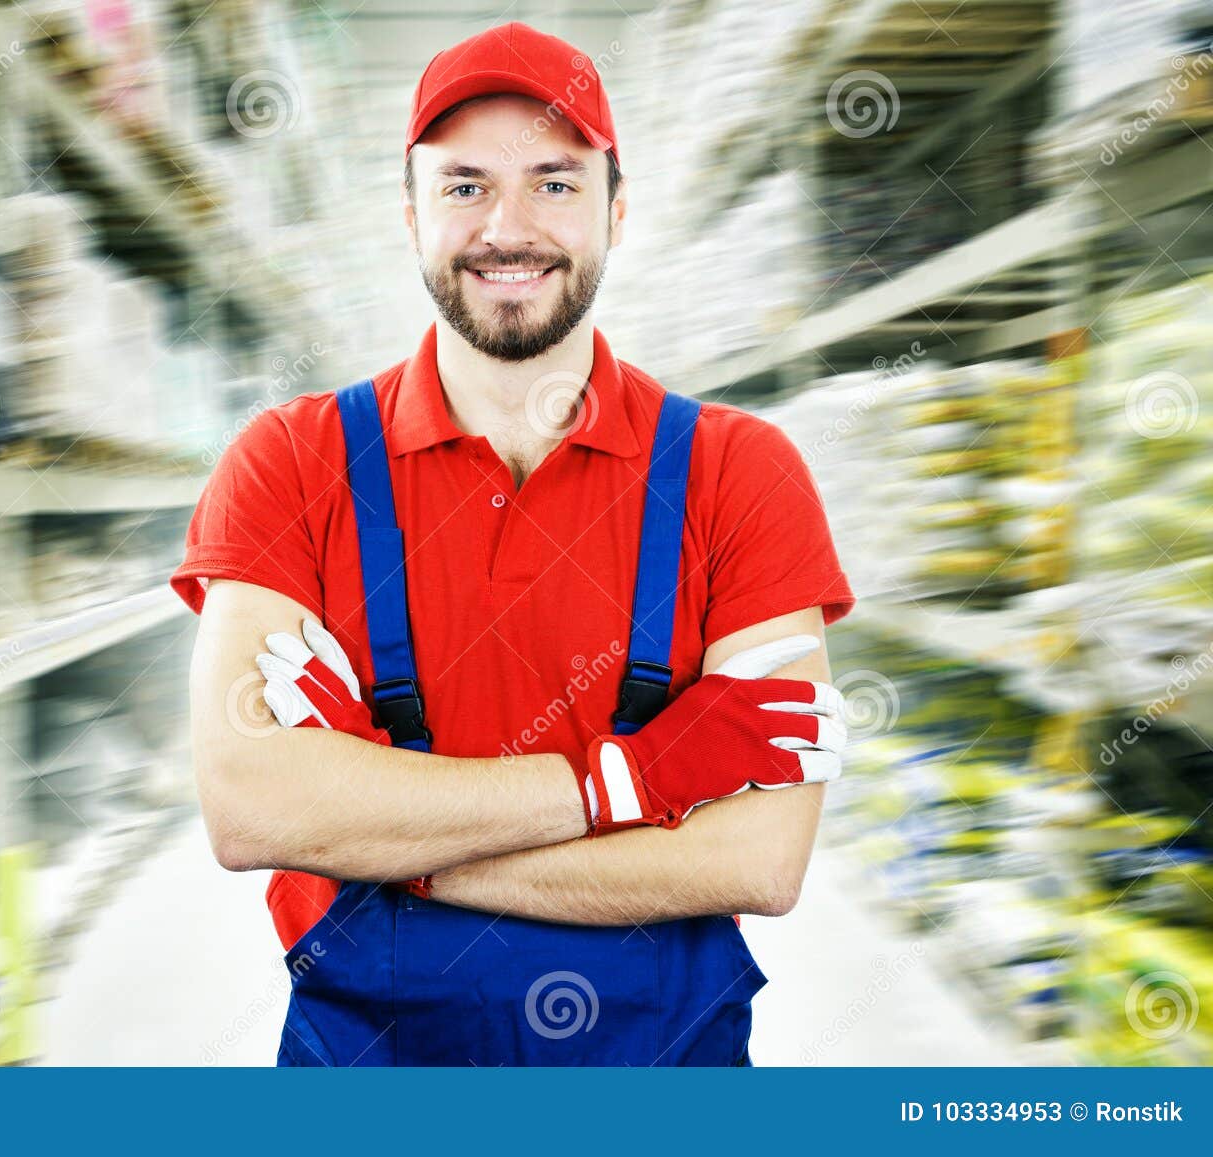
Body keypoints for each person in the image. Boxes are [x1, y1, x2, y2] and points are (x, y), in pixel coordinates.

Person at [170, 21, 858, 1066]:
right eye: (462, 186)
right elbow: (249, 805)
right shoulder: (289, 464)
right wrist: (623, 784)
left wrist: (384, 836)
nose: (507, 225)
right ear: (408, 216)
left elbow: (759, 856)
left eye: (553, 182)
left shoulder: (740, 473)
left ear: (616, 211)